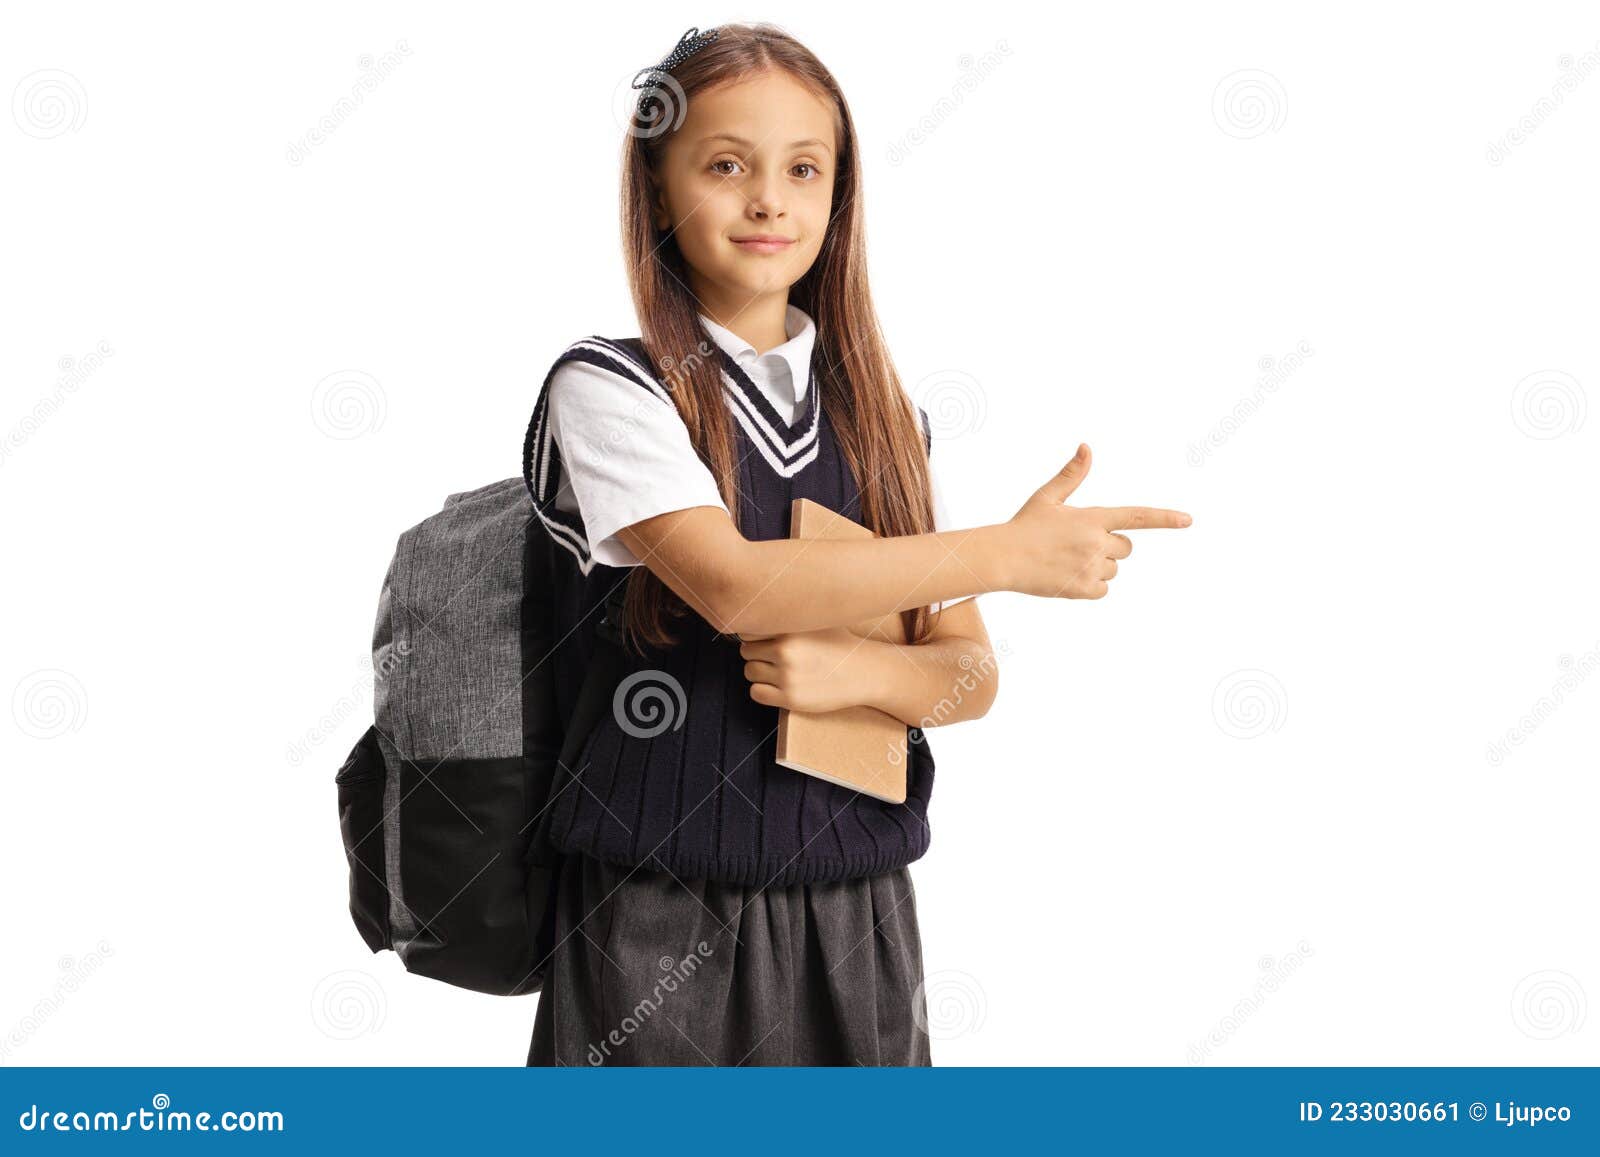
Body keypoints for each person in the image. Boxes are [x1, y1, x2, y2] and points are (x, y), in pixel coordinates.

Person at [522, 23, 1191, 1066]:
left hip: (859, 907)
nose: (768, 201)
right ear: (655, 190)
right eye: (726, 165)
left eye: (804, 169)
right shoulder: (610, 385)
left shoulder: (882, 414)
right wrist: (1008, 554)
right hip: (658, 912)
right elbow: (737, 588)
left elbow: (968, 673)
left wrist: (861, 674)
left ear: (839, 197)